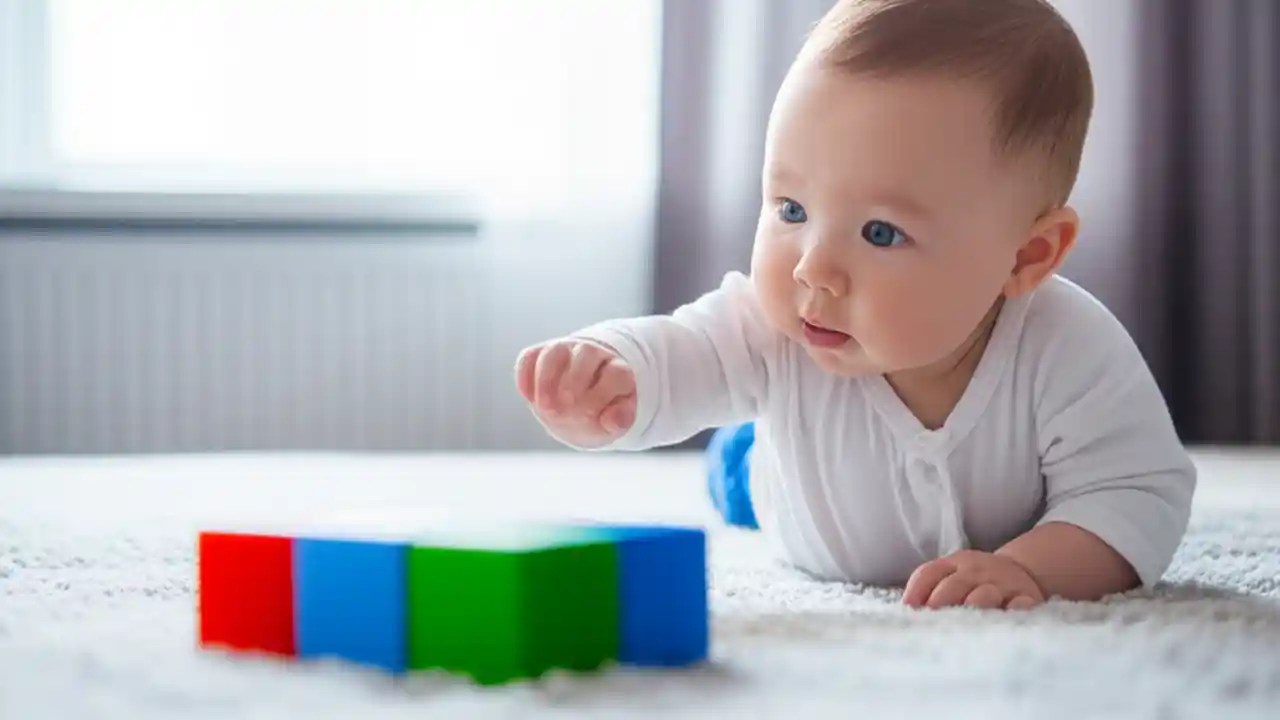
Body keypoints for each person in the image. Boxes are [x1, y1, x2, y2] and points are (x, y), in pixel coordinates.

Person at [514, 0, 1195, 610]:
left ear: (1026, 257)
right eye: (791, 208)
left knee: (757, 447)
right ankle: (747, 458)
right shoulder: (773, 325)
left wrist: (1030, 569)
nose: (814, 268)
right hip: (794, 498)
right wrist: (611, 373)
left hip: (874, 477)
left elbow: (1136, 494)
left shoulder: (1067, 346)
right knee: (742, 479)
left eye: (880, 233)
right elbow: (687, 352)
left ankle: (753, 448)